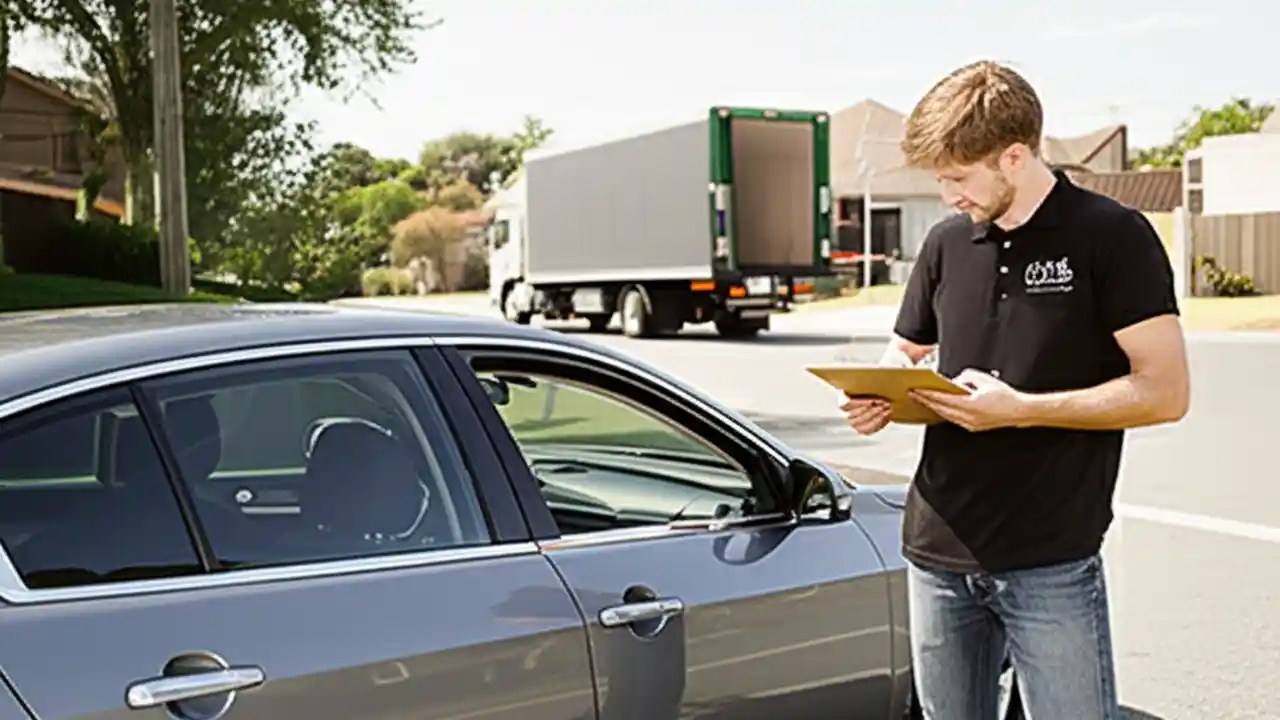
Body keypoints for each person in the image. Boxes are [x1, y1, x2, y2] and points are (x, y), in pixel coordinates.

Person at [841, 60, 1190, 719]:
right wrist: (880, 393)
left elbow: (1165, 392)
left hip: (1050, 561)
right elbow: (907, 347)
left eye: (958, 178)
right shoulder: (947, 244)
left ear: (1015, 156)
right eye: (940, 180)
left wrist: (1022, 412)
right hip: (936, 552)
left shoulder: (1114, 237)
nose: (948, 196)